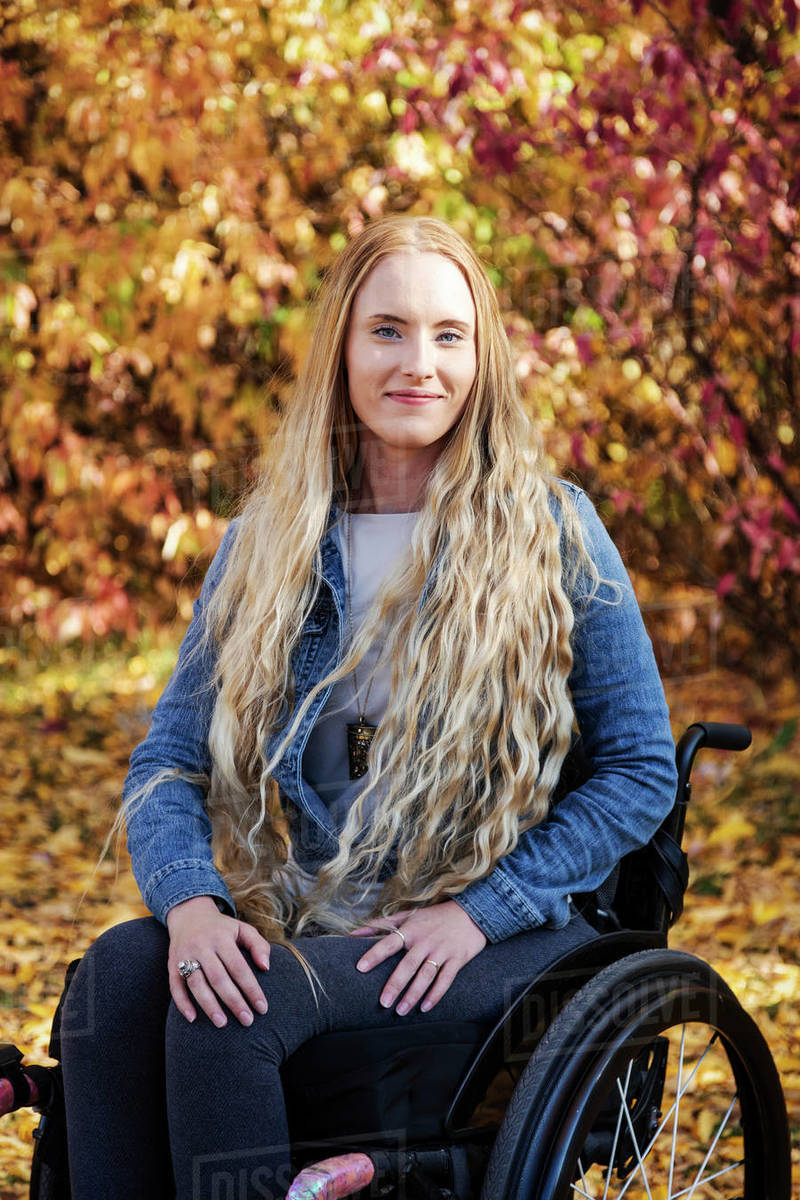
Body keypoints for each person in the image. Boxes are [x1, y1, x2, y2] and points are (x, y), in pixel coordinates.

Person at [59, 215, 677, 1200]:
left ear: (480, 359)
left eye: (447, 334)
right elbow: (170, 756)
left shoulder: (552, 531)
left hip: (512, 932)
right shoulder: (265, 544)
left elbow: (640, 767)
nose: (417, 363)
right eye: (386, 330)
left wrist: (480, 912)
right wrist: (191, 905)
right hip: (318, 909)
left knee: (237, 1009)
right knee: (122, 974)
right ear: (342, 348)